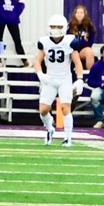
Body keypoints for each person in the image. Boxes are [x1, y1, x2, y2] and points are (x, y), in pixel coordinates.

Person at [32, 14, 79, 145]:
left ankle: (68, 137)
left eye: (59, 26)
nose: (56, 29)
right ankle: (50, 129)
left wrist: (80, 78)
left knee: (65, 107)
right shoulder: (44, 41)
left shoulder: (70, 41)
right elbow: (37, 60)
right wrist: (40, 73)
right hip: (50, 78)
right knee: (43, 110)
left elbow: (77, 62)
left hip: (65, 78)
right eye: (53, 26)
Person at [66, 5, 99, 72]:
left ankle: (90, 75)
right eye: (77, 13)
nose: (79, 14)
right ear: (74, 14)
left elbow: (89, 43)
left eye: (81, 13)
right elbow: (68, 42)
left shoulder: (89, 26)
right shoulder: (70, 26)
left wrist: (77, 43)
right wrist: (82, 42)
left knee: (89, 51)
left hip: (83, 51)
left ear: (85, 14)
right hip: (72, 51)